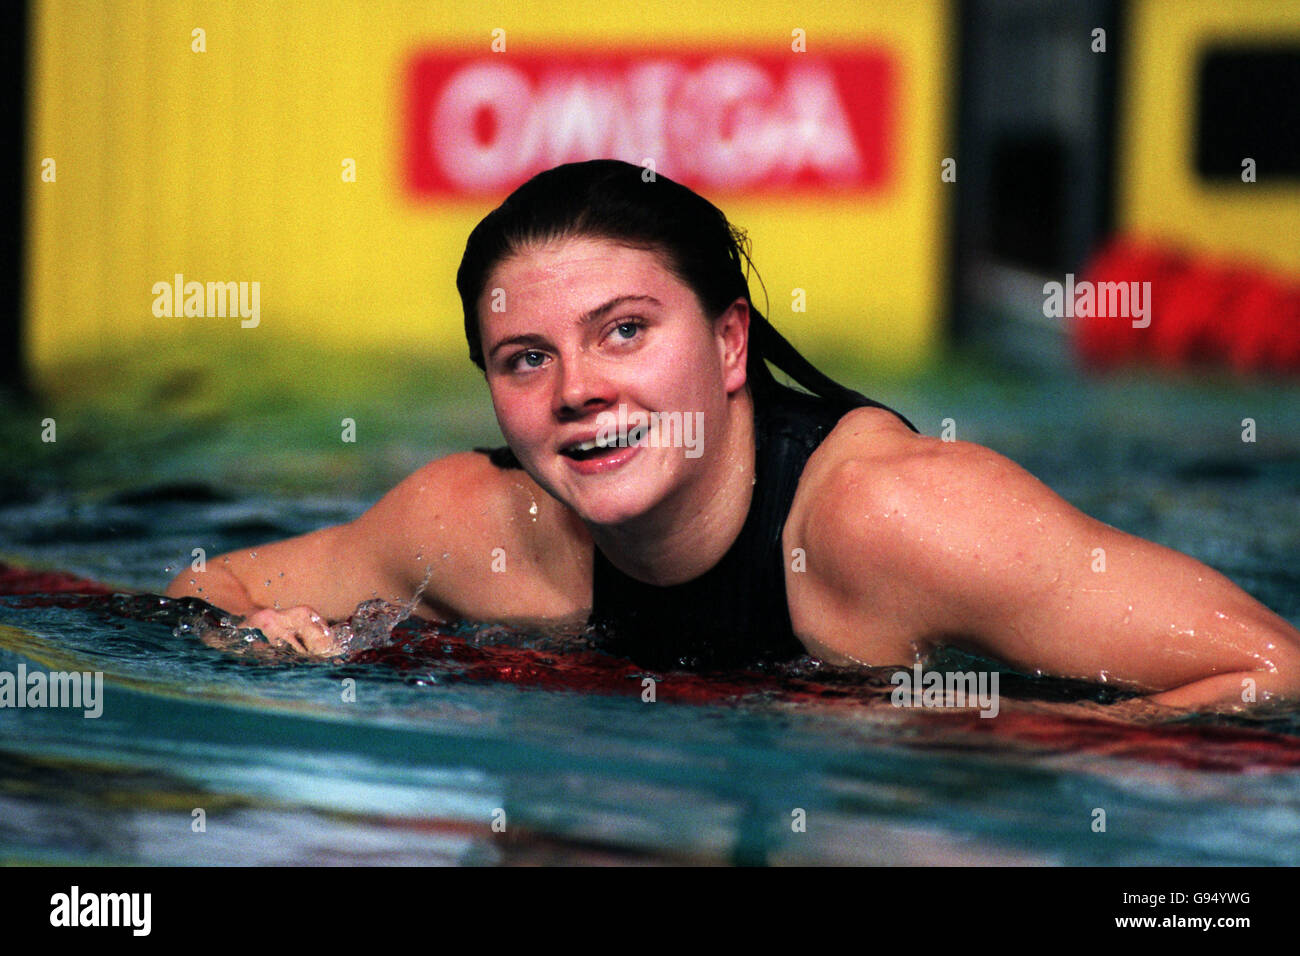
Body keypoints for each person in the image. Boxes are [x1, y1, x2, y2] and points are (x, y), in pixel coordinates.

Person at [166, 159, 1300, 710]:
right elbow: (203, 583)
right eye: (527, 358)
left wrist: (1019, 745)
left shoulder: (895, 519)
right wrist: (261, 647)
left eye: (623, 331)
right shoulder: (477, 528)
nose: (576, 390)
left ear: (725, 346)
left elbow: (1273, 669)